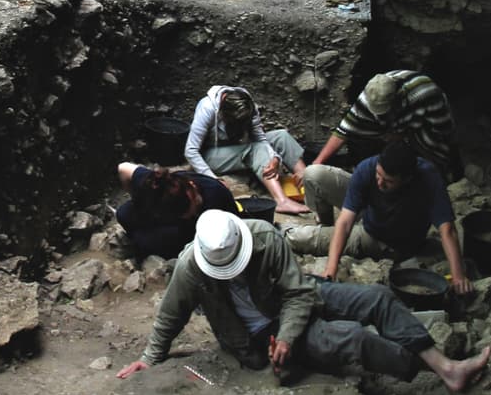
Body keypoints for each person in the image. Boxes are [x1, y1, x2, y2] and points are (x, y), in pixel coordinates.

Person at [115, 210, 491, 390]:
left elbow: (298, 293)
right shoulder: (190, 268)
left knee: (377, 297)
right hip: (258, 335)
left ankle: (445, 366)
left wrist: (291, 335)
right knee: (350, 338)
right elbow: (170, 316)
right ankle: (430, 372)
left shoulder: (263, 237)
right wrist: (149, 360)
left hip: (294, 299)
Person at [287, 142, 474, 294]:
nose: (380, 182)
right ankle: (324, 222)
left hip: (378, 237)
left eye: (388, 181)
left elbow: (447, 229)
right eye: (378, 175)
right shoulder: (368, 167)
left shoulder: (429, 178)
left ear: (407, 178)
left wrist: (458, 276)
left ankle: (281, 232)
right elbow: (344, 222)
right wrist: (331, 268)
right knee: (314, 174)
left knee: (299, 238)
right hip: (369, 211)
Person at [311, 70, 461, 181]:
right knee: (371, 142)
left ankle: (442, 178)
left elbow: (444, 129)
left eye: (384, 112)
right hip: (396, 127)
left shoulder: (424, 93)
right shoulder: (368, 98)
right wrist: (317, 163)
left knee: (434, 150)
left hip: (422, 121)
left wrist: (447, 153)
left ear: (397, 97)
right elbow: (343, 131)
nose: (380, 116)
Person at [184, 85, 309, 215]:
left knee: (281, 136)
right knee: (255, 150)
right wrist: (213, 178)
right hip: (210, 155)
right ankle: (282, 201)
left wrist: (275, 158)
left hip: (235, 148)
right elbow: (191, 151)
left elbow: (259, 138)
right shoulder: (207, 108)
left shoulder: (247, 105)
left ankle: (306, 178)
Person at [115, 162, 238, 258]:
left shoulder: (217, 195)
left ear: (192, 185)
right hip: (172, 218)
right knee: (123, 214)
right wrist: (137, 199)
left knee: (143, 241)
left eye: (194, 206)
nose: (194, 213)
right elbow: (123, 168)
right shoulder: (157, 185)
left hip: (197, 228)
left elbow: (235, 229)